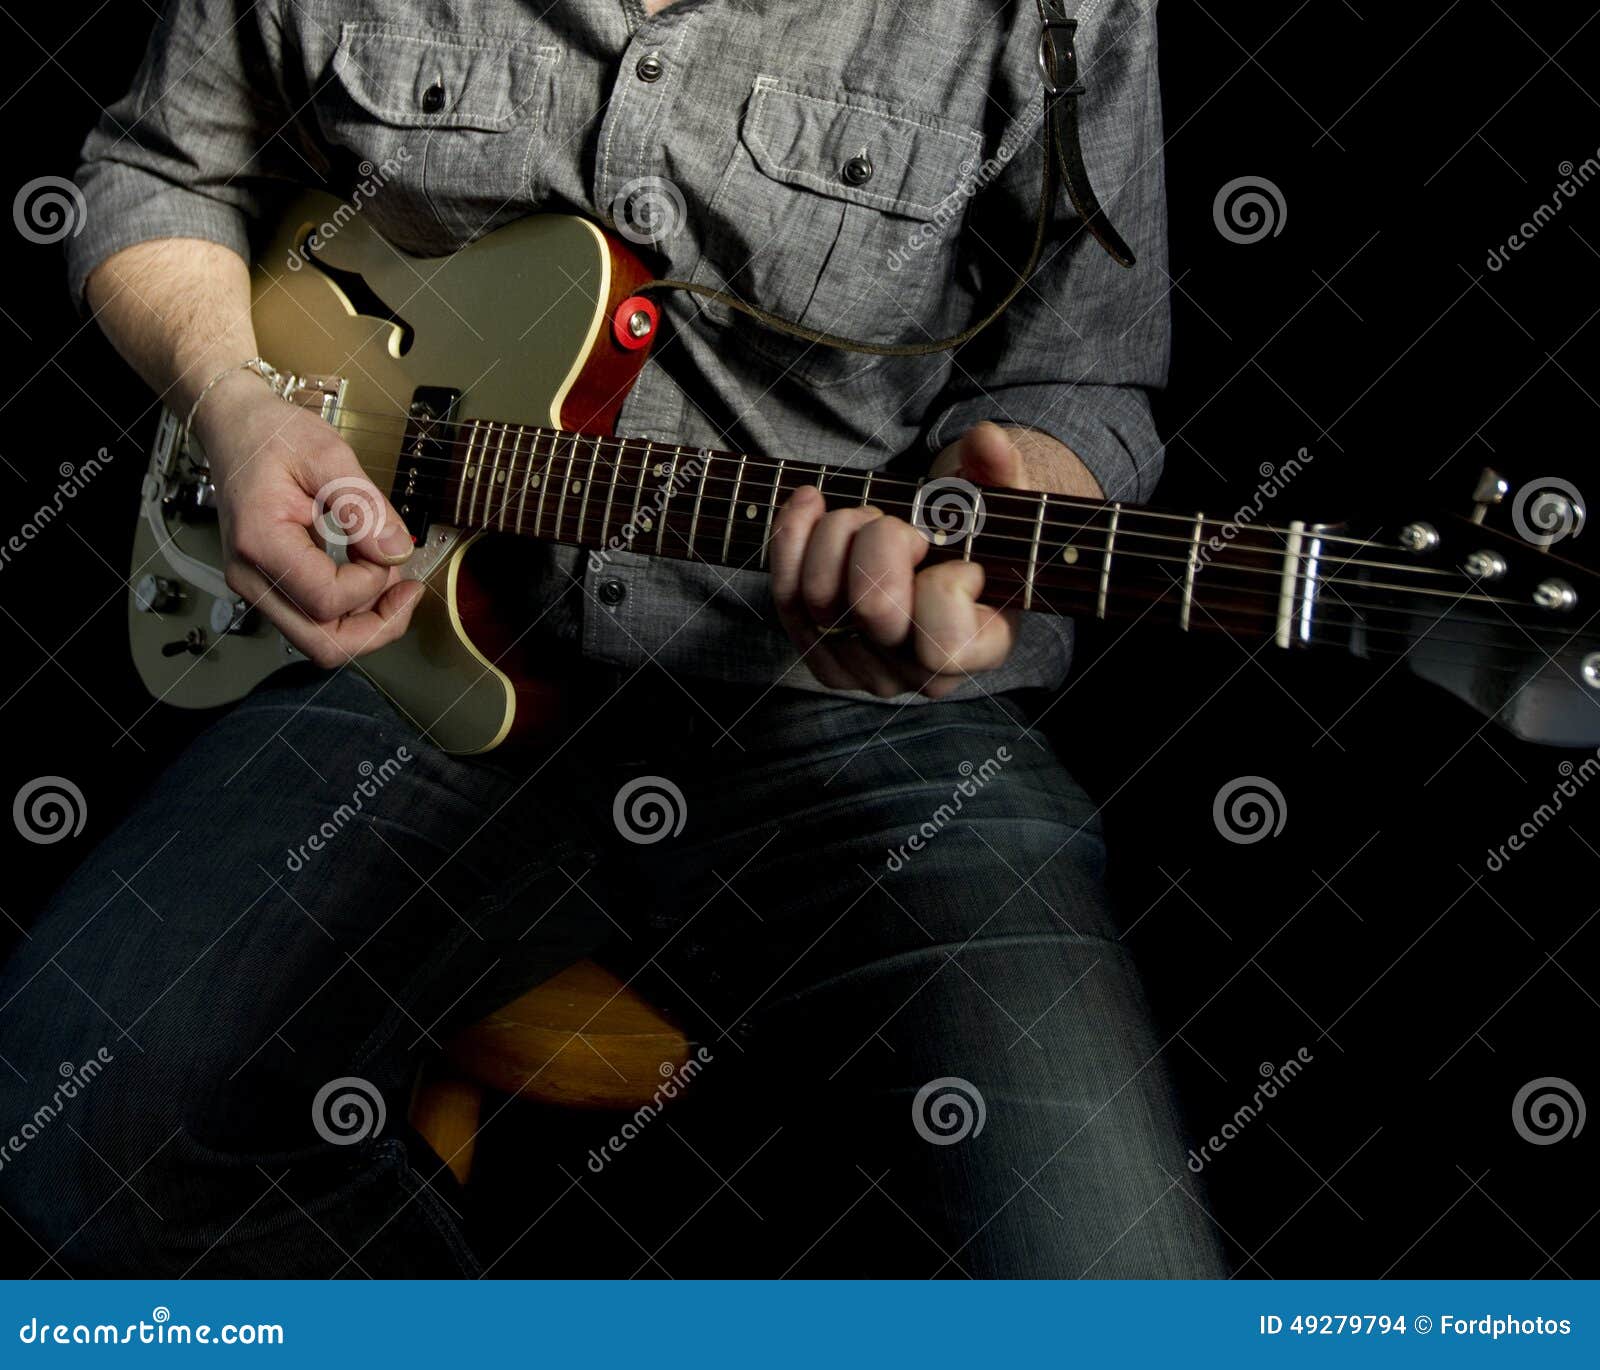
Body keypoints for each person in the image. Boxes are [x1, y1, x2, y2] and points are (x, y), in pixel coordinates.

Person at [0, 0, 1225, 1277]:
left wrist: (1011, 493)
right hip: (418, 633)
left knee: (1104, 1278)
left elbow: (1083, 371)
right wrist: (235, 402)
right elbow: (157, 170)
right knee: (83, 1099)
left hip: (848, 700)